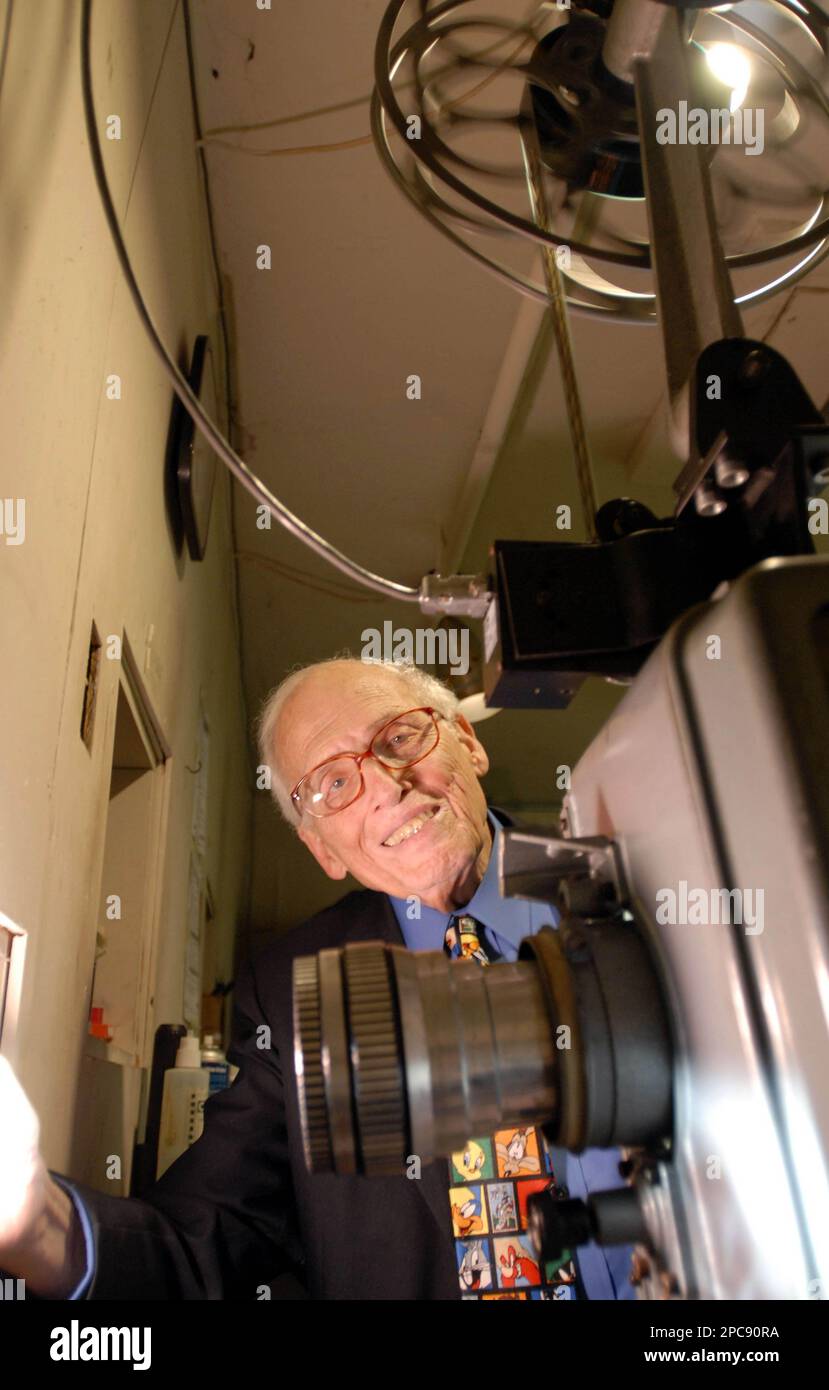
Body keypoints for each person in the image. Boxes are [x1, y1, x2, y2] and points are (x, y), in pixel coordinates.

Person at [0, 656, 633, 1300]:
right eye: (332, 783)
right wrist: (35, 1220)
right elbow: (211, 1232)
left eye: (400, 737)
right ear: (322, 850)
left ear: (468, 743)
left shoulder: (632, 887)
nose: (388, 786)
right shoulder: (287, 994)